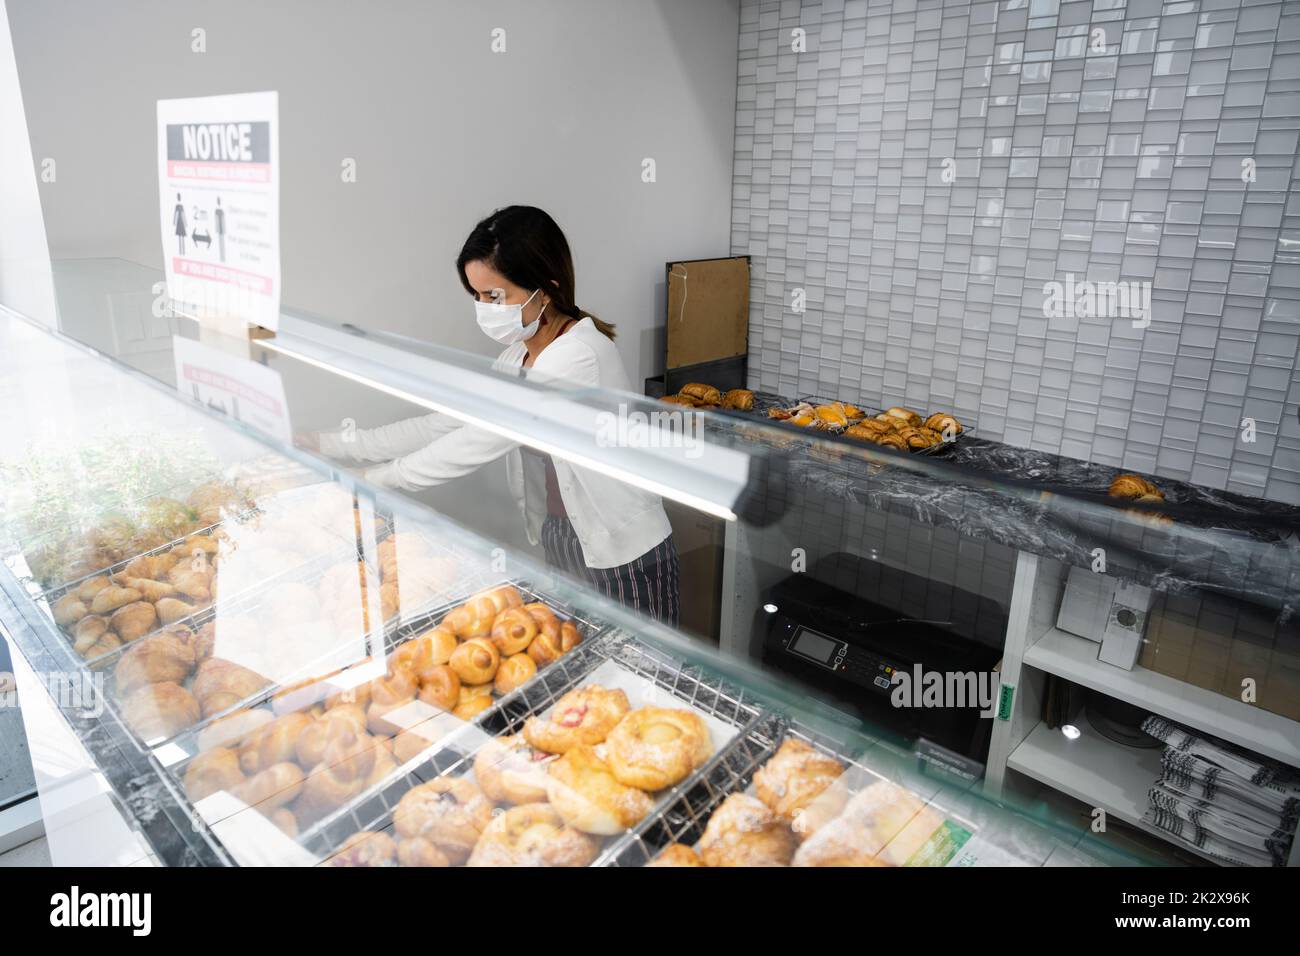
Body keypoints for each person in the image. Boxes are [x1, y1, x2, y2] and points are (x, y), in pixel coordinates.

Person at [309, 206, 680, 624]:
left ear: (547, 288)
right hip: (561, 535)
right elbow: (443, 425)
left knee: (650, 676)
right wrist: (332, 445)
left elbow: (481, 438)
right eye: (477, 296)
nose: (485, 307)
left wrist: (375, 482)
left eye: (494, 296)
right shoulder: (516, 357)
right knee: (584, 664)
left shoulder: (578, 356)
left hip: (625, 548)